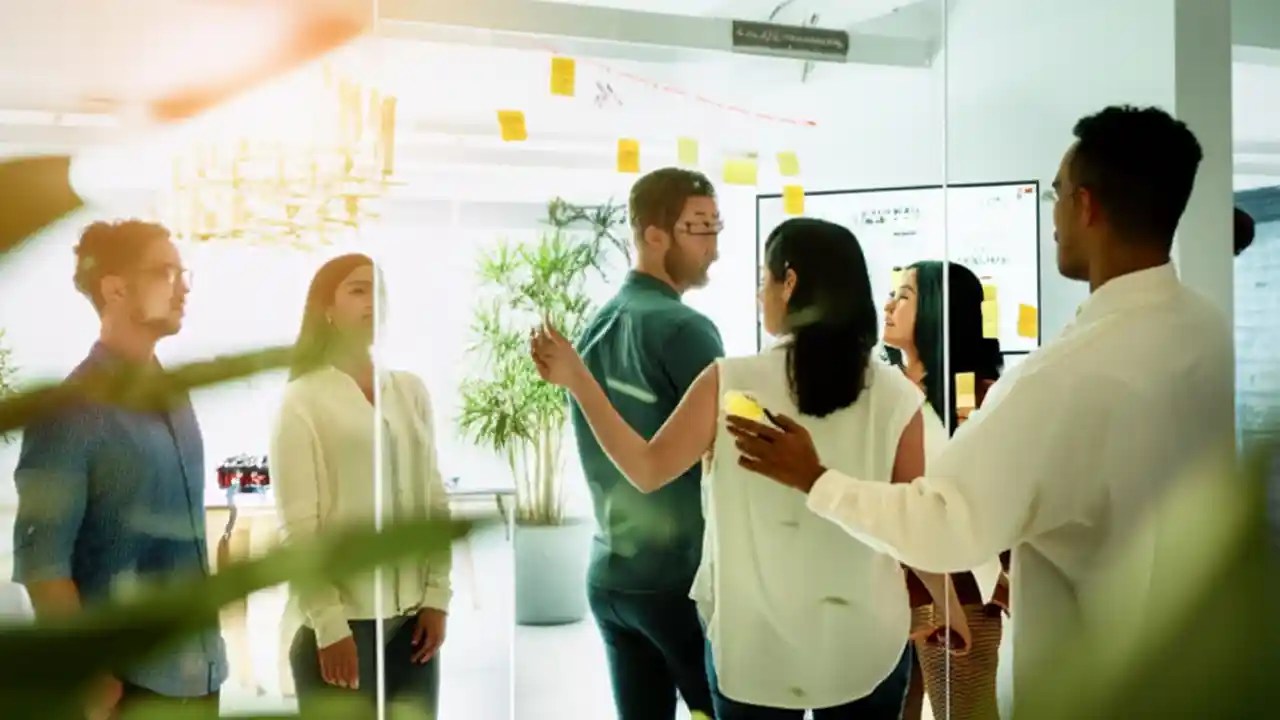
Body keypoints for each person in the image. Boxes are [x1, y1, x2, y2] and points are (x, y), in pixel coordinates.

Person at [725, 105, 1234, 705]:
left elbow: (943, 525)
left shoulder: (1060, 379)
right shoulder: (1207, 331)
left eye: (1057, 195)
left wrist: (814, 478)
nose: (1054, 216)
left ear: (1087, 206)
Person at [533, 217, 971, 720]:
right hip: (864, 646)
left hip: (754, 650)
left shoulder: (730, 383)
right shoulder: (895, 394)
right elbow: (909, 523)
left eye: (765, 277)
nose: (760, 292)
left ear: (790, 282)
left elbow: (647, 469)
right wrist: (949, 603)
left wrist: (578, 381)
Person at [11, 220, 226, 718]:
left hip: (201, 669)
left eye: (183, 272)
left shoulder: (175, 394)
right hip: (126, 684)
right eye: (164, 273)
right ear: (115, 288)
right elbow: (42, 562)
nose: (183, 287)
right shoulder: (70, 409)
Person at [562, 167, 722, 720]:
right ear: (654, 235)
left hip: (611, 578)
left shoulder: (596, 326)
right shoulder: (685, 329)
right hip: (679, 581)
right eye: (699, 228)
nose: (714, 247)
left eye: (715, 226)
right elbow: (728, 454)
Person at [270, 253, 452, 716]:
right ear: (326, 310)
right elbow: (299, 530)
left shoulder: (410, 390)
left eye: (379, 290)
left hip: (413, 623)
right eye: (357, 289)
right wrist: (330, 627)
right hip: (341, 625)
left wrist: (437, 598)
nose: (373, 301)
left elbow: (433, 501)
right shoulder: (301, 399)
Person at [883, 260, 1006, 720]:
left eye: (905, 295)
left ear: (938, 310)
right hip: (885, 581)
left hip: (960, 581)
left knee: (965, 708)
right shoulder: (882, 390)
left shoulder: (982, 397)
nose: (889, 305)